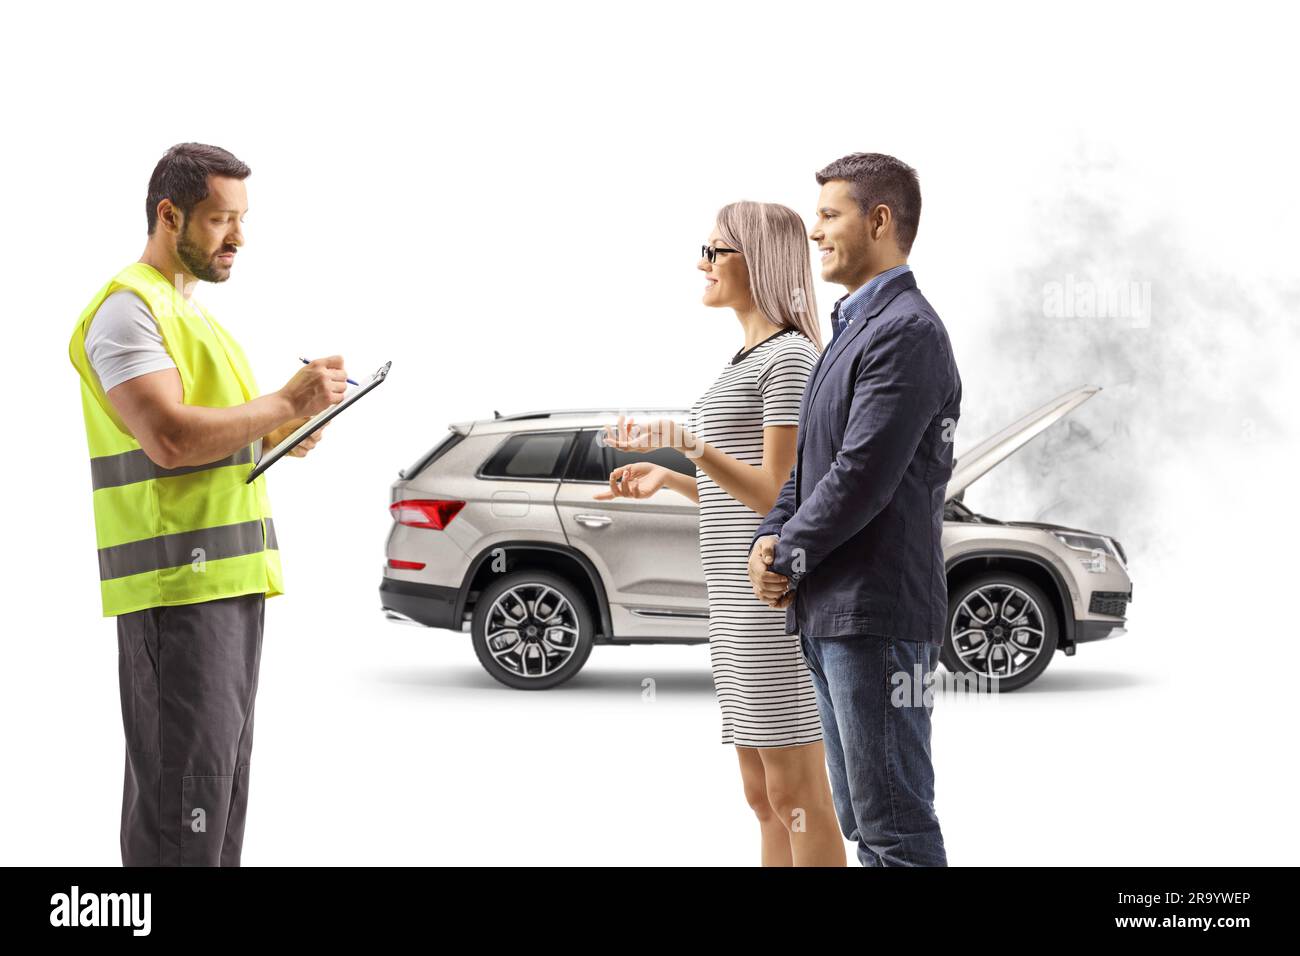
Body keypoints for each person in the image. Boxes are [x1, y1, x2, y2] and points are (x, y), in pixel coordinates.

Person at [68, 142, 349, 865]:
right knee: (184, 805)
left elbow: (212, 441)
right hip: (179, 589)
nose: (239, 238)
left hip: (225, 586)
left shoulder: (192, 318)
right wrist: (281, 401)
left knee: (212, 801)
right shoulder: (128, 311)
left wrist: (277, 430)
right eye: (221, 219)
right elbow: (166, 437)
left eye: (242, 219)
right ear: (169, 215)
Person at [598, 201, 845, 866]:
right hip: (735, 609)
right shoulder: (746, 357)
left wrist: (690, 446)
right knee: (763, 796)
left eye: (716, 252)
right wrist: (673, 478)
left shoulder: (790, 358)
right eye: (703, 249)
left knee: (798, 795)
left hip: (774, 609)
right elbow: (747, 500)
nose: (701, 263)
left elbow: (782, 496)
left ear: (759, 262)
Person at [747, 153, 962, 867]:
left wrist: (788, 554)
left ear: (879, 221)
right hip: (832, 610)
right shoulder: (852, 329)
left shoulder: (907, 332)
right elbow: (810, 469)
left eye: (830, 215)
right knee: (865, 823)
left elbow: (861, 477)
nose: (815, 232)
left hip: (875, 615)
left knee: (894, 824)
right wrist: (770, 538)